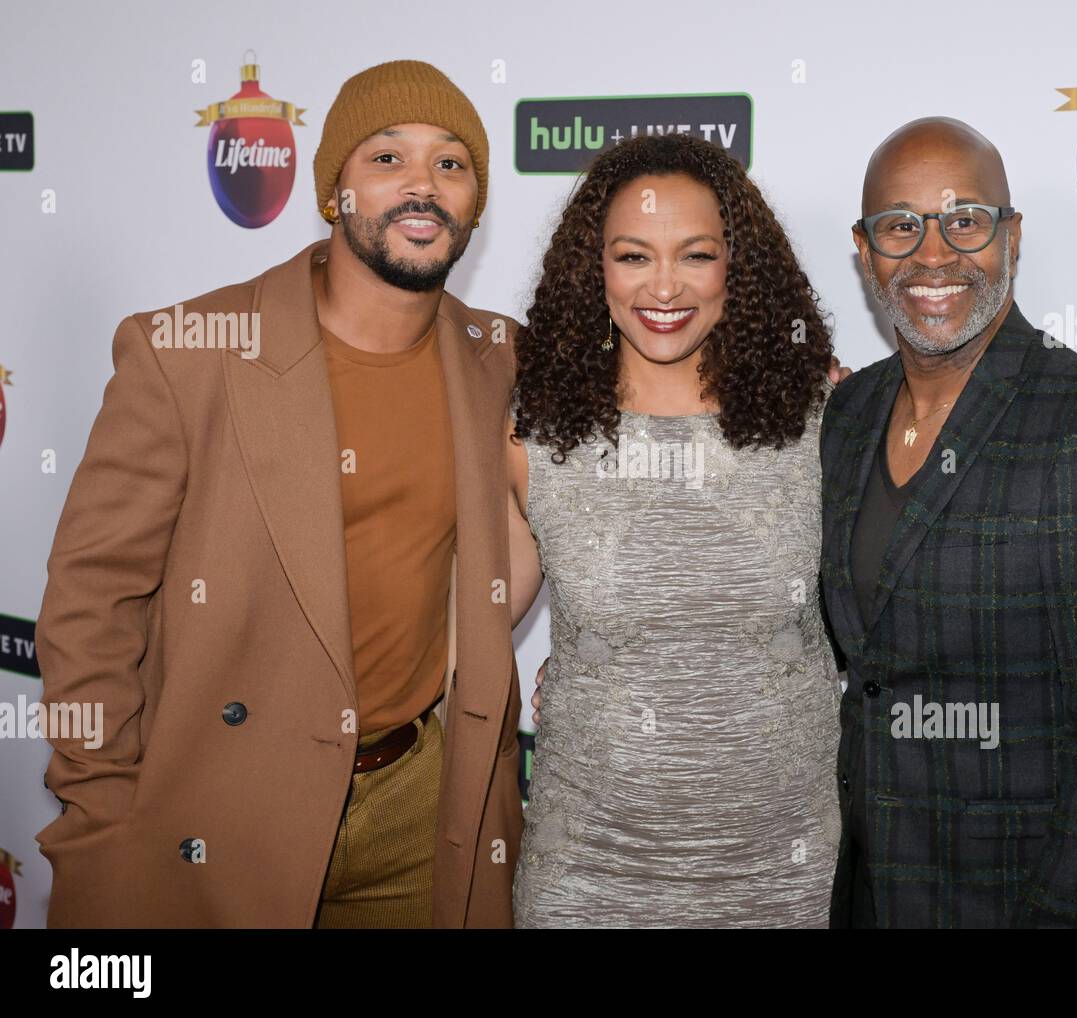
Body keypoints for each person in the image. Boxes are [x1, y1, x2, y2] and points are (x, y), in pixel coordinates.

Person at [35, 60, 522, 928]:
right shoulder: (186, 352)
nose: (423, 185)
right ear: (332, 191)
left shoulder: (500, 358)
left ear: (476, 203)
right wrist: (102, 825)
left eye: (451, 163)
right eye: (387, 159)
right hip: (222, 817)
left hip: (419, 810)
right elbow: (89, 607)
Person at [821, 117, 1077, 928]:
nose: (931, 254)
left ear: (1011, 235)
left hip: (1042, 896)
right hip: (880, 882)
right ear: (864, 248)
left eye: (964, 220)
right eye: (900, 225)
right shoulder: (849, 413)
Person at [506, 133, 844, 927]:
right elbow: (466, 627)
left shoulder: (824, 424)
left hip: (786, 876)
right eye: (632, 256)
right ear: (595, 270)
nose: (664, 285)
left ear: (739, 268)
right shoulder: (534, 439)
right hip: (588, 878)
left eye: (696, 255)